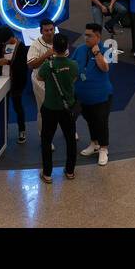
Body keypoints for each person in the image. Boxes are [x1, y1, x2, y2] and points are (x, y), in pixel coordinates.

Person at [37, 34, 80, 182]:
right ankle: (70, 171)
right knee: (70, 139)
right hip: (67, 108)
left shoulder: (47, 66)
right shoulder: (73, 65)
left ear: (53, 49)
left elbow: (39, 78)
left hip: (50, 107)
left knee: (46, 140)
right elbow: (74, 79)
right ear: (67, 47)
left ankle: (47, 174)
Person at [72, 23, 113, 165]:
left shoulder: (106, 50)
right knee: (90, 120)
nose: (86, 38)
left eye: (89, 35)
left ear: (98, 36)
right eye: (85, 34)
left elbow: (105, 68)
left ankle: (103, 148)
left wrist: (97, 53)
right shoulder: (80, 49)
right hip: (83, 95)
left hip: (101, 96)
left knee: (101, 121)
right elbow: (73, 67)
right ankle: (94, 144)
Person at [0, 26, 29, 142]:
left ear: (11, 37)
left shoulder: (21, 48)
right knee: (3, 107)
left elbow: (23, 67)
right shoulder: (2, 45)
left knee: (17, 107)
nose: (3, 44)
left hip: (16, 82)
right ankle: (3, 129)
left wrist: (8, 62)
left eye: (5, 41)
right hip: (3, 81)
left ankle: (22, 130)